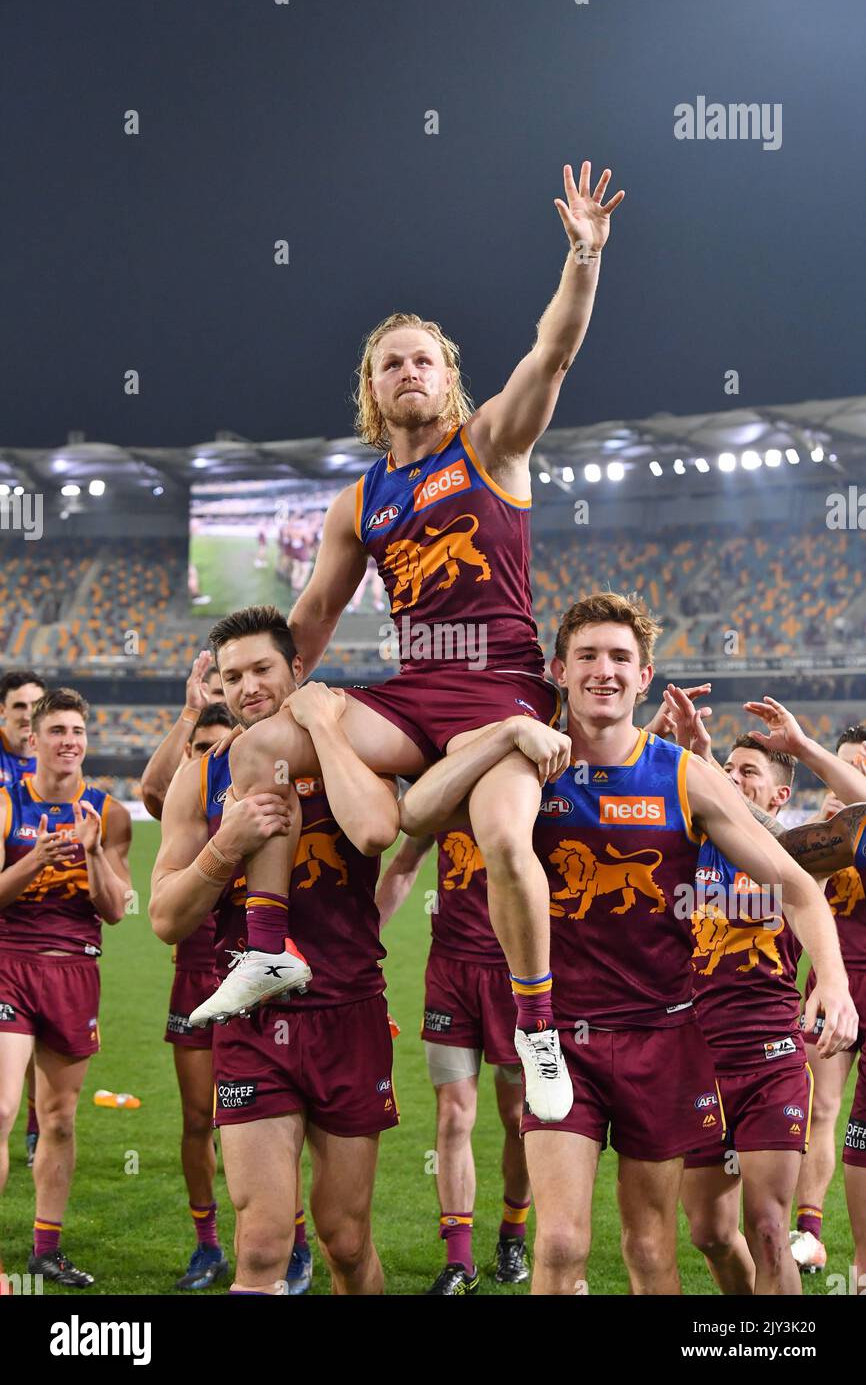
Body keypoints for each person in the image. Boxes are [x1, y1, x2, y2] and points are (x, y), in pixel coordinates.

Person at [200, 162, 624, 1123]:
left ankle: (538, 1026)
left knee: (507, 839)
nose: (408, 371)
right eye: (391, 361)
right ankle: (270, 946)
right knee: (264, 746)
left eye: (423, 358)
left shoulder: (491, 445)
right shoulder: (358, 500)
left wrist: (584, 255)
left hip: (504, 687)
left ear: (448, 375)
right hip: (416, 689)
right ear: (371, 387)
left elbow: (552, 355)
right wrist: (272, 687)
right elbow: (309, 614)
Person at [395, 593, 857, 1294]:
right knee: (557, 1245)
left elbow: (794, 882)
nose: (603, 671)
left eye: (620, 658)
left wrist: (832, 977)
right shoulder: (524, 767)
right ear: (558, 669)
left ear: (645, 677)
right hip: (557, 1042)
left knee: (649, 1250)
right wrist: (501, 737)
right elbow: (415, 812)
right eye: (586, 656)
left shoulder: (682, 775)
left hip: (665, 1041)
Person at [150, 605, 400, 1294]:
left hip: (349, 1014)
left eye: (262, 668)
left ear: (297, 668)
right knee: (260, 1244)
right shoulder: (199, 782)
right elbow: (166, 919)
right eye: (232, 677)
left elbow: (381, 831)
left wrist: (324, 727)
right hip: (253, 1019)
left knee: (347, 1240)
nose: (248, 686)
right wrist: (225, 845)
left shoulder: (354, 748)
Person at [656, 690, 859, 1295]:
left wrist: (800, 746)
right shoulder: (684, 848)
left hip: (769, 1056)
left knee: (769, 1228)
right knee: (711, 1235)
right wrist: (687, 752)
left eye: (748, 773)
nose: (732, 779)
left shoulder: (800, 856)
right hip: (693, 1059)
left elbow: (862, 819)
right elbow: (618, 790)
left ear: (780, 796)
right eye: (727, 772)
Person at [0, 688, 132, 1286]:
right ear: (34, 742)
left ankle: (44, 1249)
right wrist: (37, 859)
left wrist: (95, 851)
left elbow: (115, 911)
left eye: (77, 731)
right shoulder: (6, 803)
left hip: (75, 971)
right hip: (9, 964)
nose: (68, 741)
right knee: (2, 1108)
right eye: (56, 731)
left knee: (57, 1119)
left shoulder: (108, 812)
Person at [377, 827, 531, 1294]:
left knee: (518, 1119)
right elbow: (403, 865)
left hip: (518, 975)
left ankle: (513, 1233)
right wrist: (361, 941)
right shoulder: (444, 791)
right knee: (452, 1116)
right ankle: (459, 1260)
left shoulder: (536, 788)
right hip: (450, 973)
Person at [160, 701, 234, 1290]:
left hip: (250, 978)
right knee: (197, 1118)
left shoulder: (260, 795)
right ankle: (207, 1246)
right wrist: (186, 719)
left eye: (220, 745)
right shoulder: (184, 807)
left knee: (258, 1117)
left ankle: (292, 1241)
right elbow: (149, 786)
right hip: (194, 977)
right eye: (201, 747)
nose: (212, 755)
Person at [790, 725, 866, 1272]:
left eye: (858, 765)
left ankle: (861, 1264)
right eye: (841, 764)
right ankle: (809, 1231)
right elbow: (801, 905)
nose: (844, 776)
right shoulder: (820, 832)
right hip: (836, 983)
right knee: (821, 1106)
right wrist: (826, 835)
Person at [0, 670, 48, 1168]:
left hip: (34, 930)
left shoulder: (49, 763)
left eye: (38, 706)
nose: (29, 717)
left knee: (28, 1037)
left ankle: (36, 1125)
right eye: (19, 707)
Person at [141, 651, 229, 820]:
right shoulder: (190, 746)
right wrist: (191, 710)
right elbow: (155, 793)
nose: (226, 699)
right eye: (219, 692)